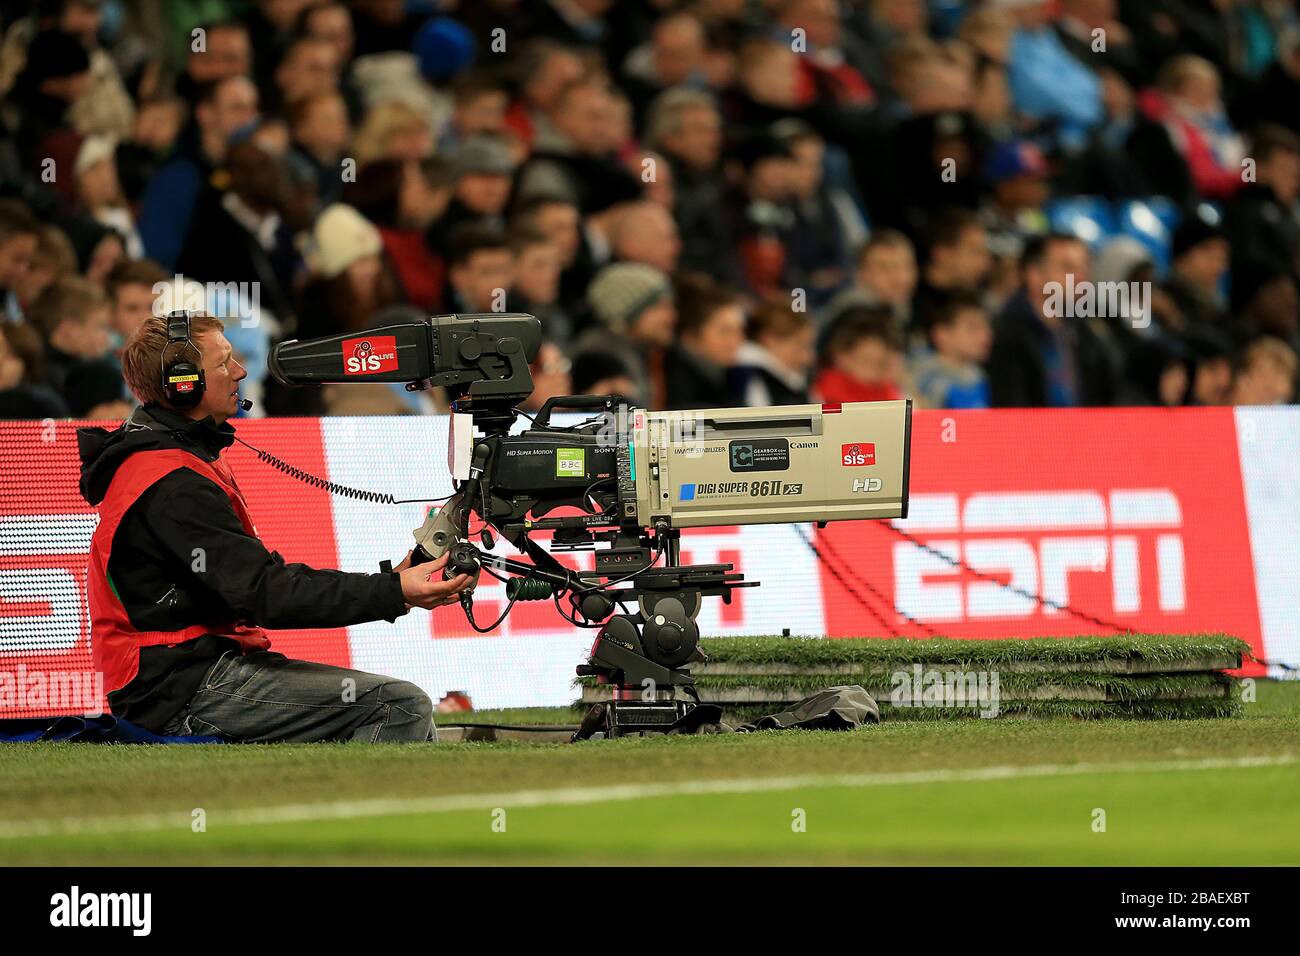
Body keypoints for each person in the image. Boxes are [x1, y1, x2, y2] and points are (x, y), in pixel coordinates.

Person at [77, 312, 472, 742]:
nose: (241, 372)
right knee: (399, 705)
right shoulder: (171, 482)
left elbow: (258, 586)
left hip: (191, 672)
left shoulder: (172, 457)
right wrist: (393, 592)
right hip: (181, 690)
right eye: (224, 362)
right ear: (183, 383)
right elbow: (266, 594)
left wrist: (394, 582)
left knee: (389, 706)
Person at [911, 292, 993, 409]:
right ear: (941, 334)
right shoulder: (924, 377)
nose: (985, 335)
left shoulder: (978, 375)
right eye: (972, 327)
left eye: (986, 327)